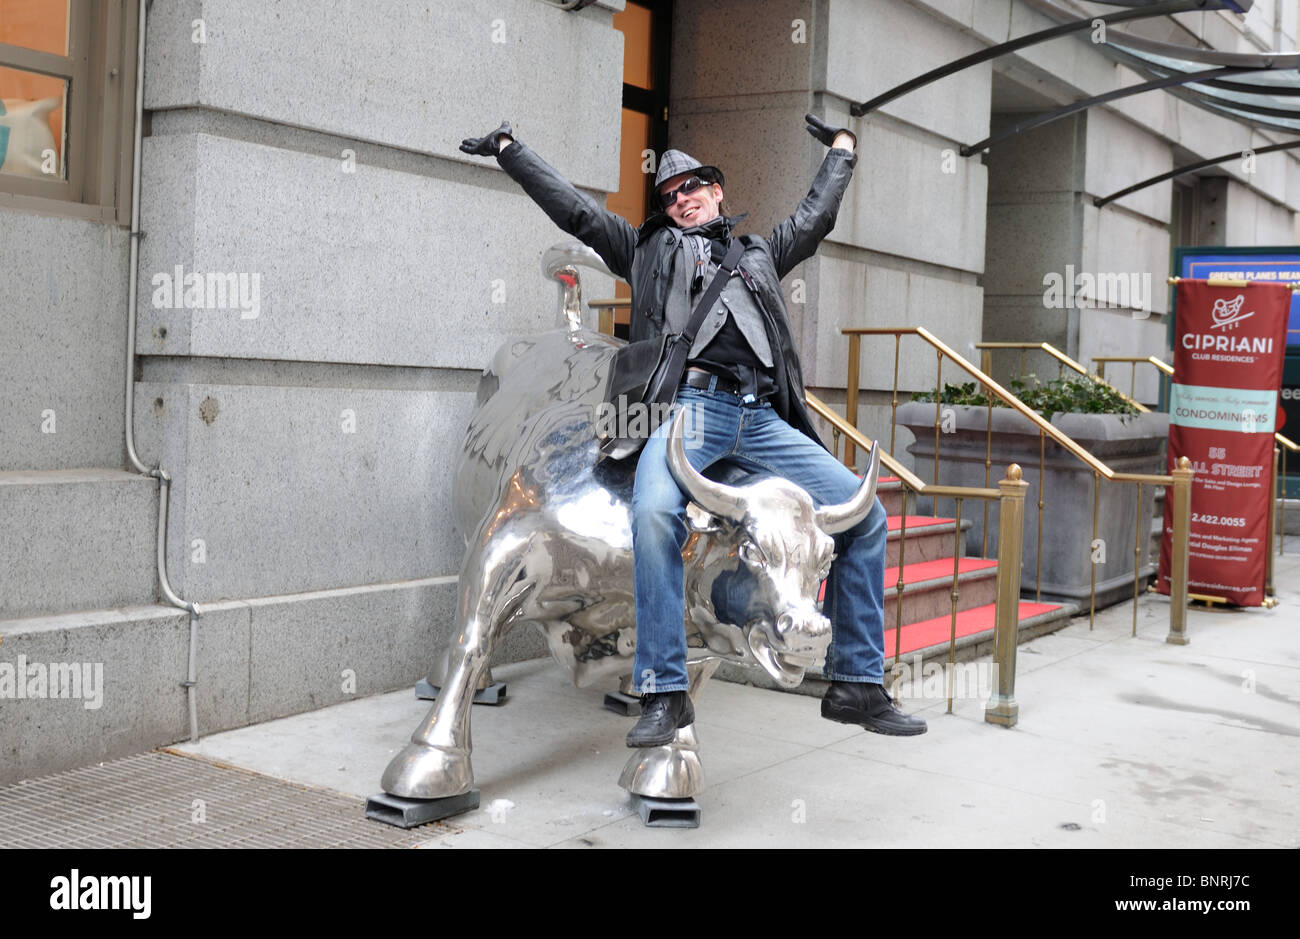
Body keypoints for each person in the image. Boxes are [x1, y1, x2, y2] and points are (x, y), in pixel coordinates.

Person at [459, 114, 926, 747]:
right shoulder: (646, 251)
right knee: (655, 513)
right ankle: (664, 690)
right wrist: (512, 152)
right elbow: (576, 212)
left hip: (762, 417)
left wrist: (843, 149)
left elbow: (815, 218)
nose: (682, 197)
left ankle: (857, 683)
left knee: (864, 515)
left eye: (693, 186)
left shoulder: (760, 251)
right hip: (689, 413)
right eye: (670, 193)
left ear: (717, 191)